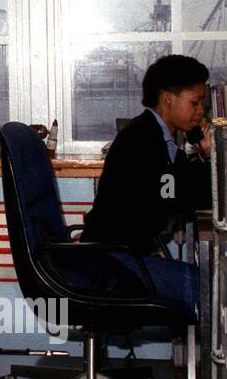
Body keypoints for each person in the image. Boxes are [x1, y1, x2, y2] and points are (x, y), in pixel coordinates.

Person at [81, 54, 212, 255]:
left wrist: (202, 151)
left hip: (126, 250)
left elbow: (186, 189)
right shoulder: (143, 141)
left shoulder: (157, 135)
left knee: (195, 281)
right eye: (195, 102)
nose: (201, 110)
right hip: (116, 256)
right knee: (196, 285)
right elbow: (180, 197)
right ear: (168, 99)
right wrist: (208, 156)